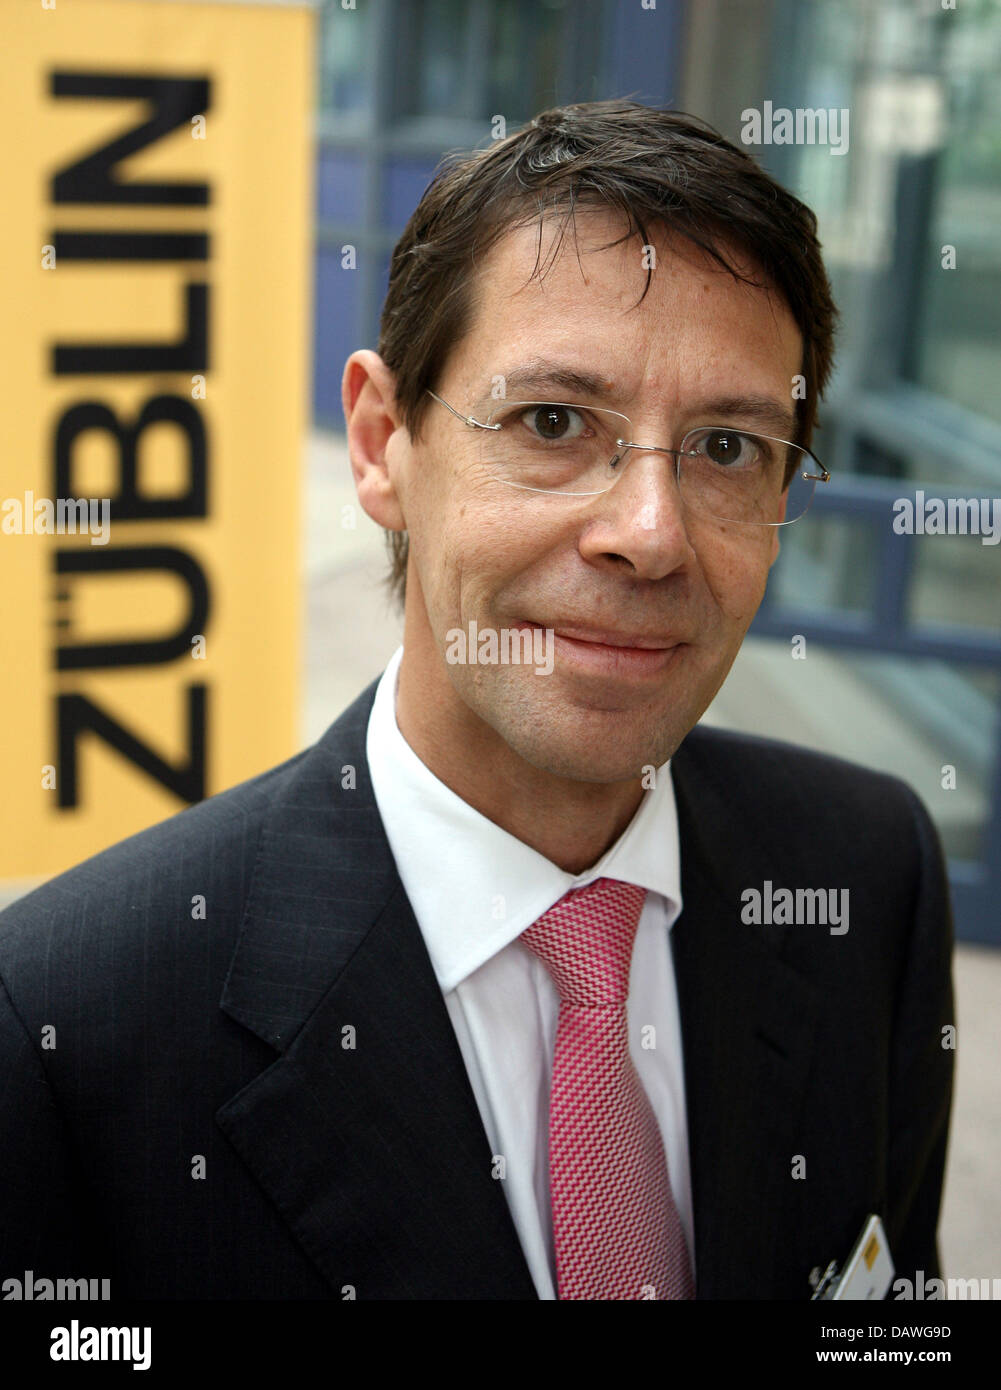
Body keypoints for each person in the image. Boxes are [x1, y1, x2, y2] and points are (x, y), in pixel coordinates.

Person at [0, 101, 953, 1301]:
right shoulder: (68, 1022)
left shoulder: (866, 874)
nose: (648, 536)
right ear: (380, 441)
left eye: (724, 447)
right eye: (552, 422)